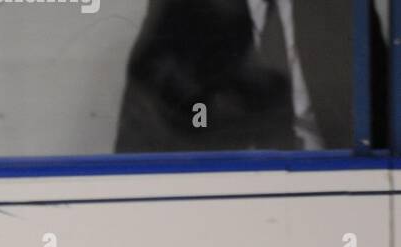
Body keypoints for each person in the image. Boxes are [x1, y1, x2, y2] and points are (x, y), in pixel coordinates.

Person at [115, 0, 387, 153]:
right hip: (223, 194)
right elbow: (140, 136)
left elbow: (383, 117)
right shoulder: (184, 8)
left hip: (331, 187)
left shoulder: (342, 7)